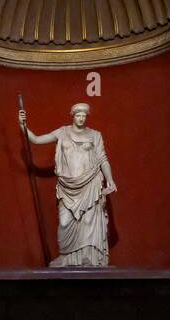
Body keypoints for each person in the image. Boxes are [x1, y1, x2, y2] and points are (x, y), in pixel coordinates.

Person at [17, 102, 116, 267]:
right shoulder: (62, 133)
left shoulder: (95, 135)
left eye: (84, 116)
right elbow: (36, 139)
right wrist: (22, 125)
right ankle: (65, 257)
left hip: (90, 183)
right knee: (64, 222)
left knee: (89, 222)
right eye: (78, 115)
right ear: (72, 115)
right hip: (67, 187)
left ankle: (88, 258)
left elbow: (102, 159)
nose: (81, 118)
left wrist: (110, 179)